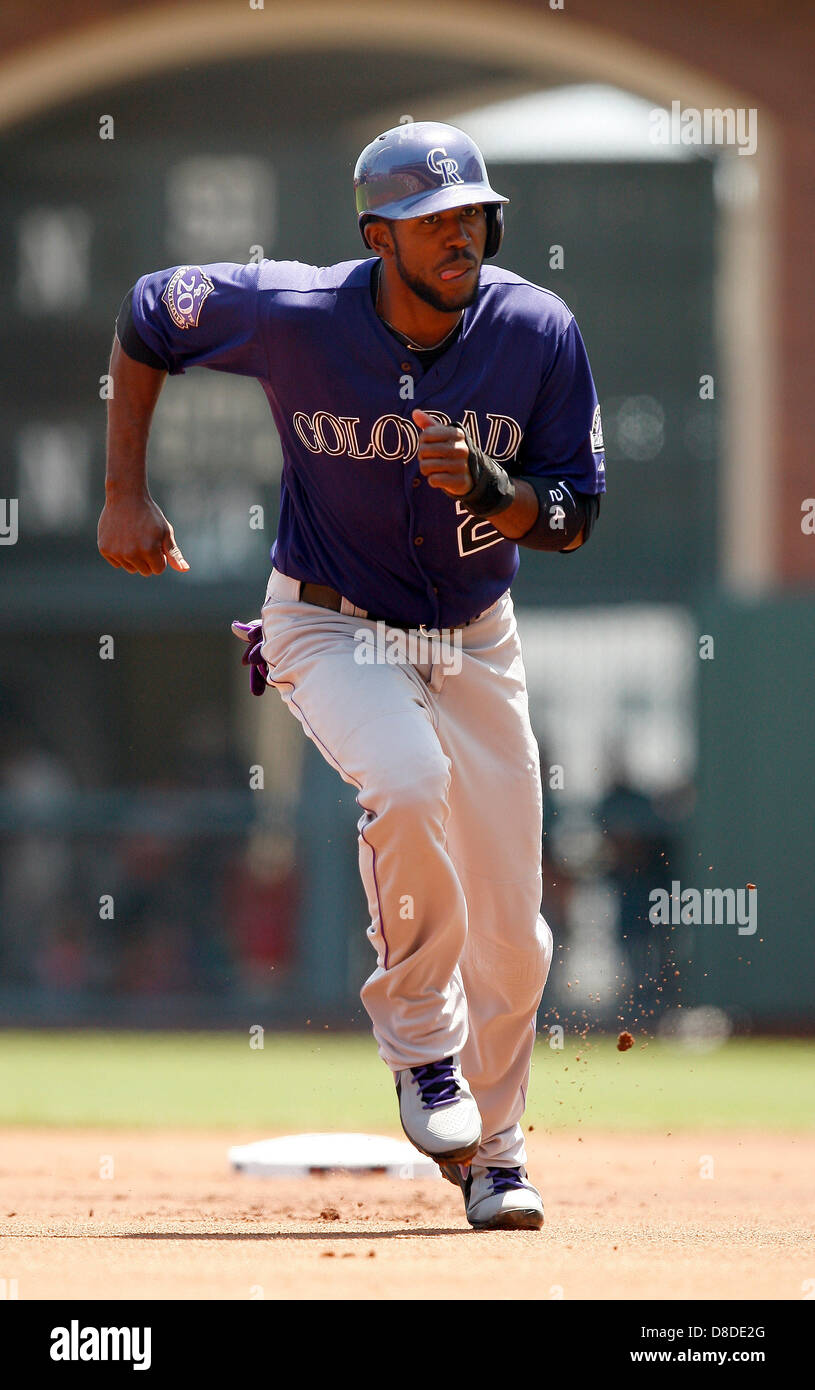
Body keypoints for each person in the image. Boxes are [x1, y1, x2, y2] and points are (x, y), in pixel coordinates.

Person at [98, 121, 605, 1230]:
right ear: (378, 235)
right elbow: (146, 312)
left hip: (473, 634)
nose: (457, 233)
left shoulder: (535, 330)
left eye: (469, 213)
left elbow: (575, 512)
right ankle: (424, 1051)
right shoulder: (294, 313)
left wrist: (499, 491)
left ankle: (496, 1154)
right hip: (328, 623)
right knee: (409, 783)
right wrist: (124, 492)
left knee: (515, 932)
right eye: (430, 221)